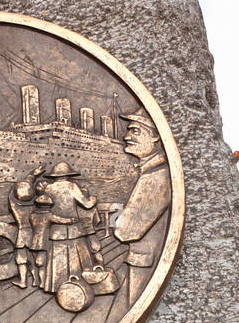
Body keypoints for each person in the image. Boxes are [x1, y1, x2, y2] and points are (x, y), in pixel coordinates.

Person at [112, 107, 171, 304]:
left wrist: (117, 215)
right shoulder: (152, 172)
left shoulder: (156, 178)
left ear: (156, 137)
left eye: (135, 130)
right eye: (128, 129)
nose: (127, 136)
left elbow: (125, 231)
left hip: (146, 268)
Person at [33, 160, 99, 293]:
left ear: (54, 176)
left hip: (56, 231)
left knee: (57, 259)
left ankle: (56, 286)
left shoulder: (48, 188)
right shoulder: (72, 186)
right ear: (68, 174)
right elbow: (86, 204)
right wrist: (93, 199)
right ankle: (83, 285)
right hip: (75, 229)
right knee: (80, 258)